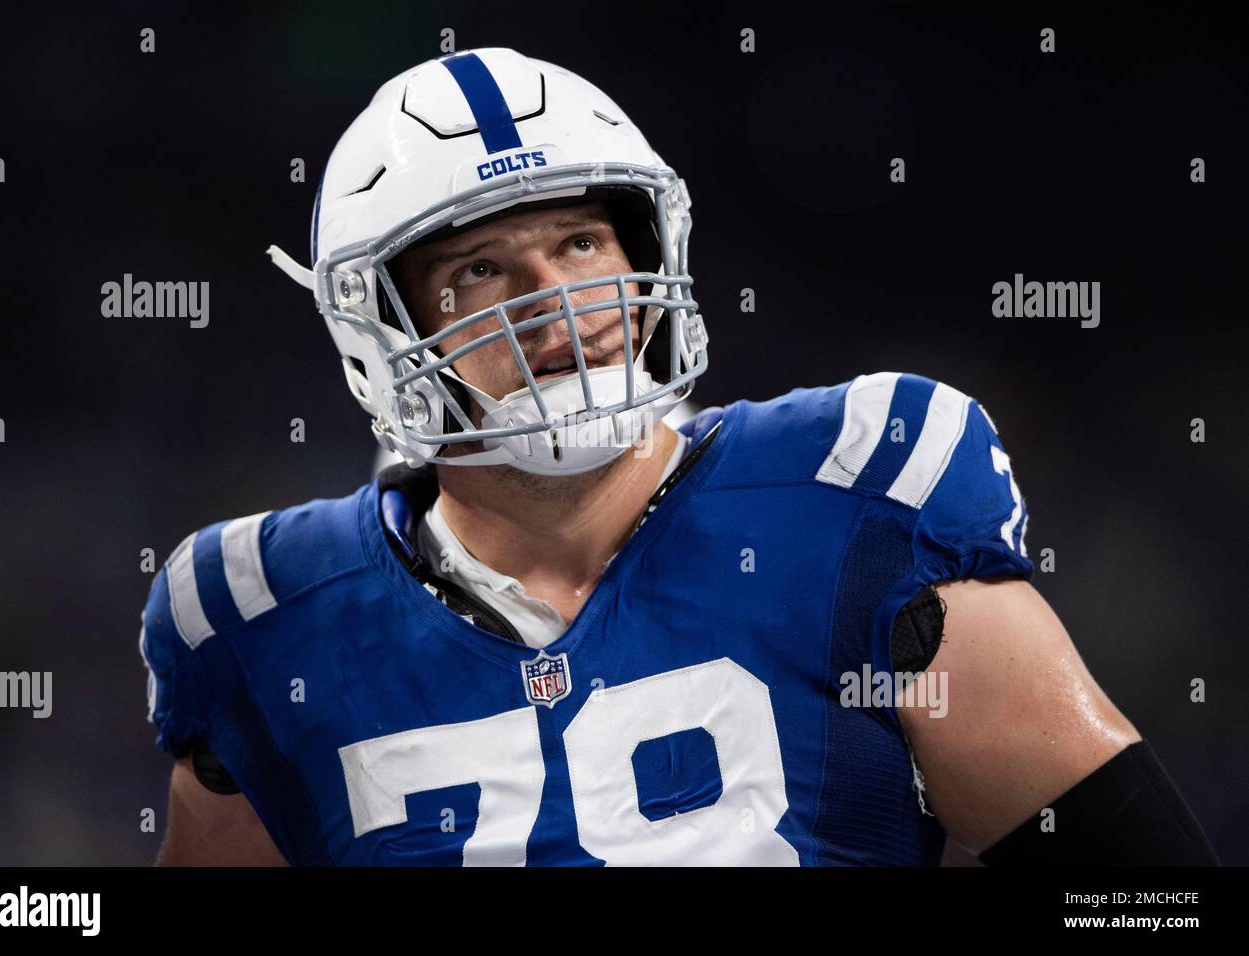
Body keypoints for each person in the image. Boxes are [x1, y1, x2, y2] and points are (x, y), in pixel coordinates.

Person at [141, 47, 1218, 866]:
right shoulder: (264, 615)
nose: (556, 303)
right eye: (478, 270)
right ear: (378, 333)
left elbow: (1145, 892)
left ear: (649, 251)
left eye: (580, 241)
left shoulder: (853, 499)